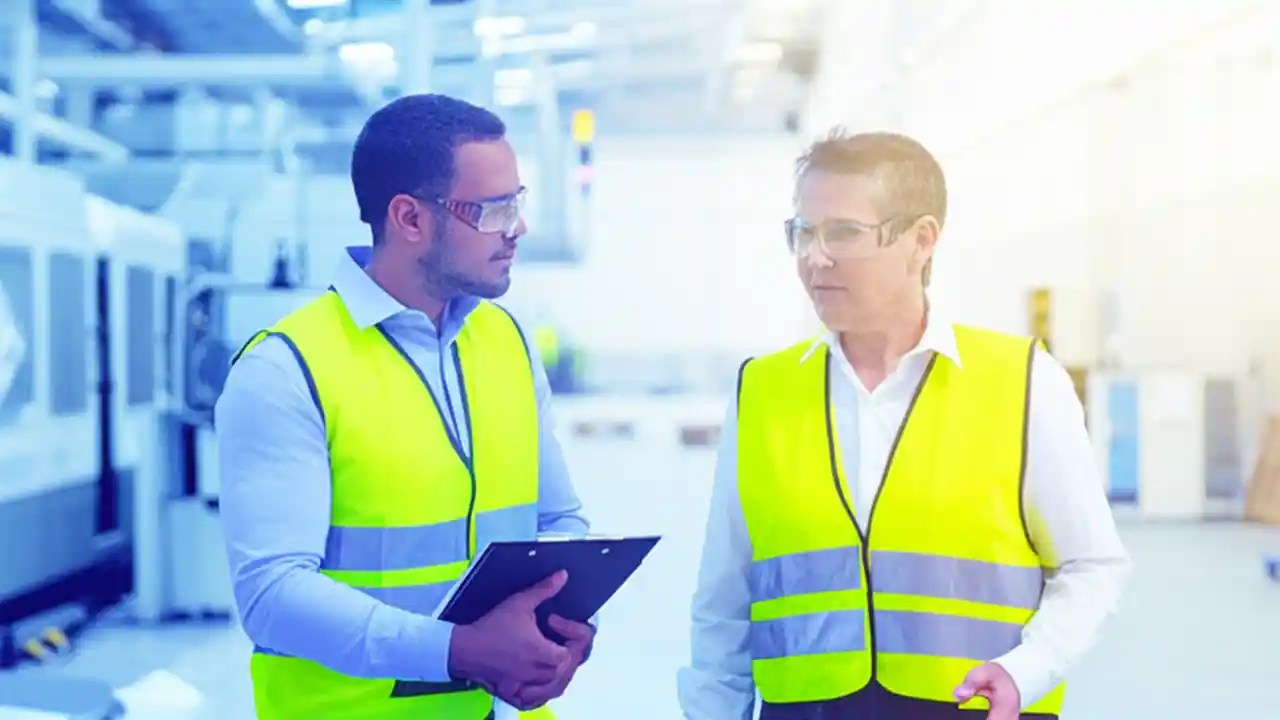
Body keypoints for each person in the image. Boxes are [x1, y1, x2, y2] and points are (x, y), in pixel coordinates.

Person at [676, 128, 1130, 720]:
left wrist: (1027, 669)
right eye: (803, 233)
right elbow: (724, 599)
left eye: (843, 232)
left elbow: (1091, 564)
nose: (815, 257)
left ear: (921, 241)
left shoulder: (1021, 381)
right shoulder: (763, 390)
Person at [215, 93, 596, 719]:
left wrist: (566, 627)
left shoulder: (507, 342)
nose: (517, 228)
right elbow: (273, 595)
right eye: (494, 209)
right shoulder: (286, 369)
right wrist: (458, 651)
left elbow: (559, 522)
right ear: (410, 219)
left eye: (516, 202)